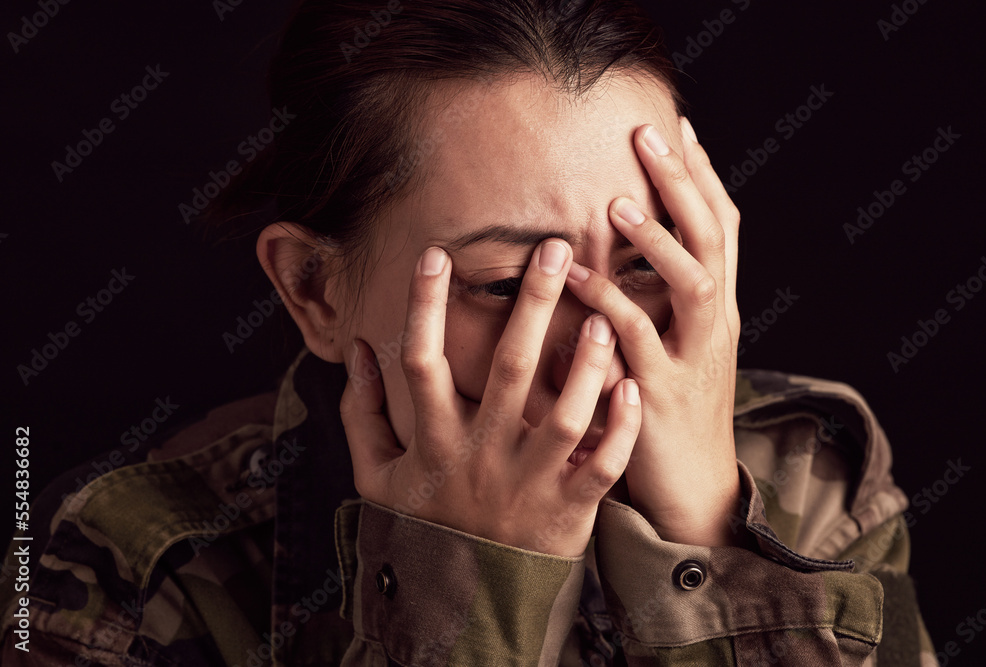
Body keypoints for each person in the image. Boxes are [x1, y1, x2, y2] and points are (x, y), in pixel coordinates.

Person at [0, 0, 937, 664]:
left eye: (647, 262)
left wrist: (710, 537)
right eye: (504, 285)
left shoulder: (812, 474)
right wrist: (467, 597)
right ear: (314, 290)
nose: (597, 350)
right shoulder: (120, 571)